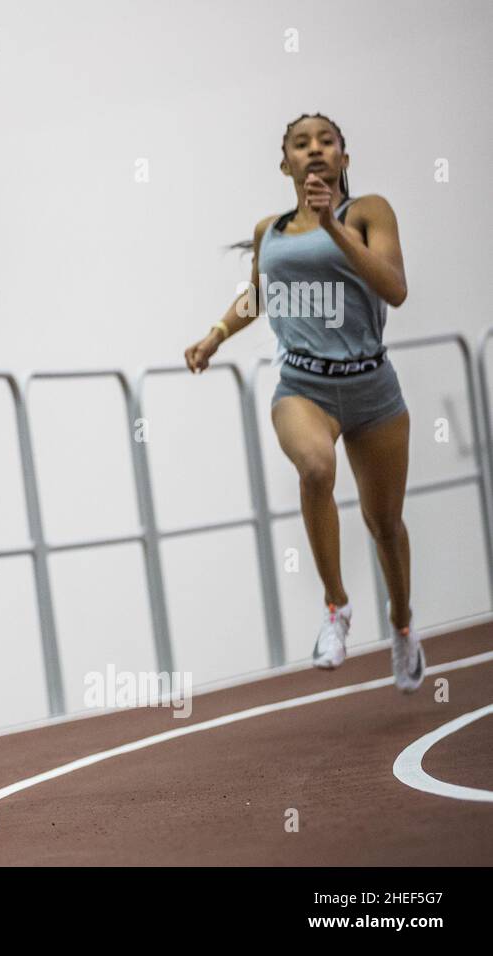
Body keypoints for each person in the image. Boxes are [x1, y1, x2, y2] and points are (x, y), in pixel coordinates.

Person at [184, 113, 424, 693]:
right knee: (316, 466)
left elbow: (393, 286)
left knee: (384, 522)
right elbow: (262, 295)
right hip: (303, 386)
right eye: (301, 143)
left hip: (372, 386)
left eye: (326, 141)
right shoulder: (270, 230)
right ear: (285, 162)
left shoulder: (368, 212)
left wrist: (332, 227)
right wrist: (215, 334)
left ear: (343, 157)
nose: (314, 149)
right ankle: (336, 607)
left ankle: (401, 626)